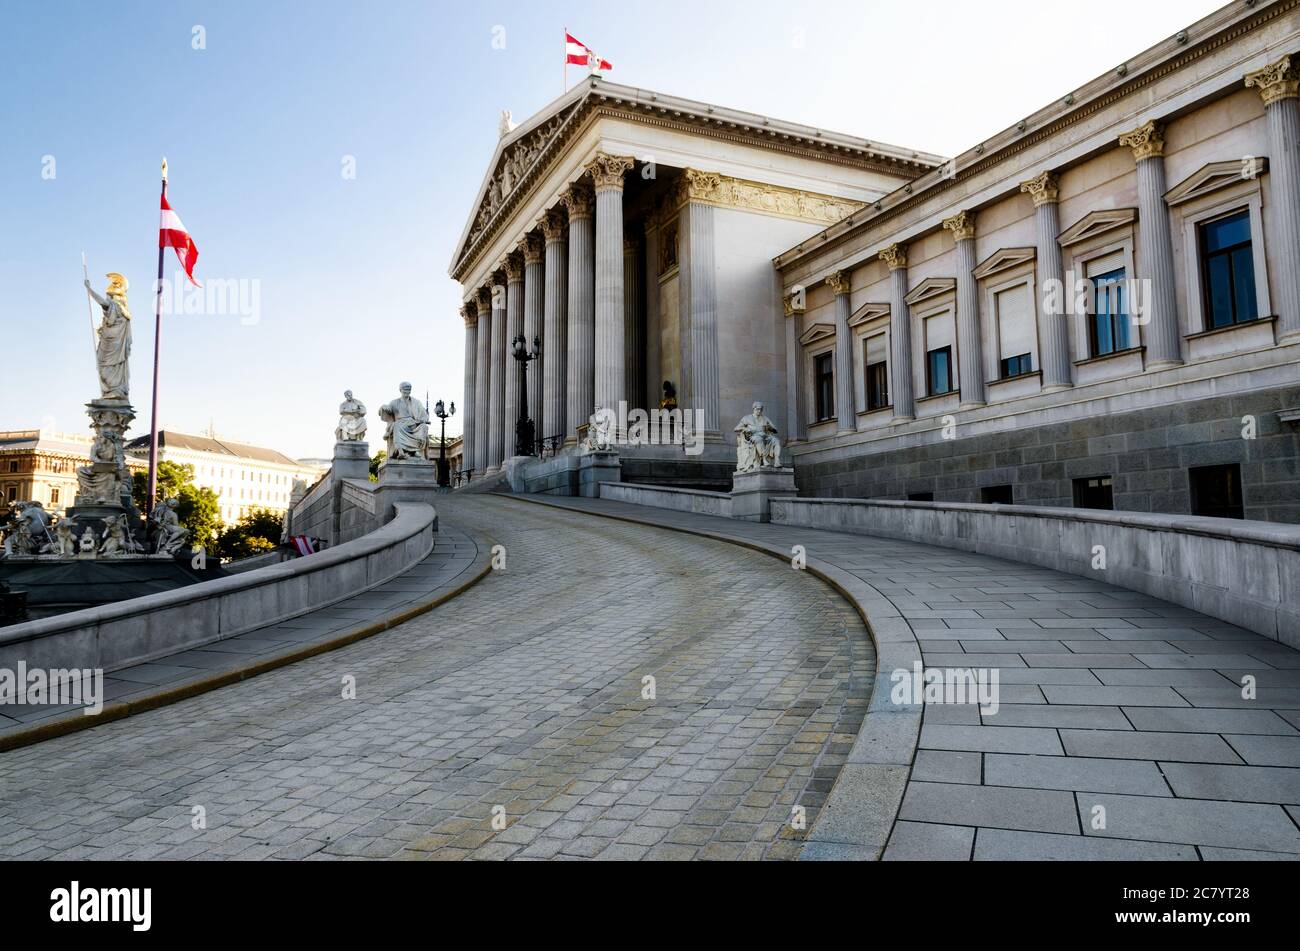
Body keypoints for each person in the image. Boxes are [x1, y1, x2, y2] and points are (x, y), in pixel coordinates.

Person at [378, 383, 431, 459]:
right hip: (400, 423)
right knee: (397, 425)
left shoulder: (416, 402)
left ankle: (416, 450)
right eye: (405, 389)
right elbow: (387, 410)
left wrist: (424, 419)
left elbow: (424, 414)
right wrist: (383, 407)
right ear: (400, 390)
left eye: (409, 389)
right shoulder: (394, 402)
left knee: (424, 427)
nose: (407, 391)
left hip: (414, 424)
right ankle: (400, 451)